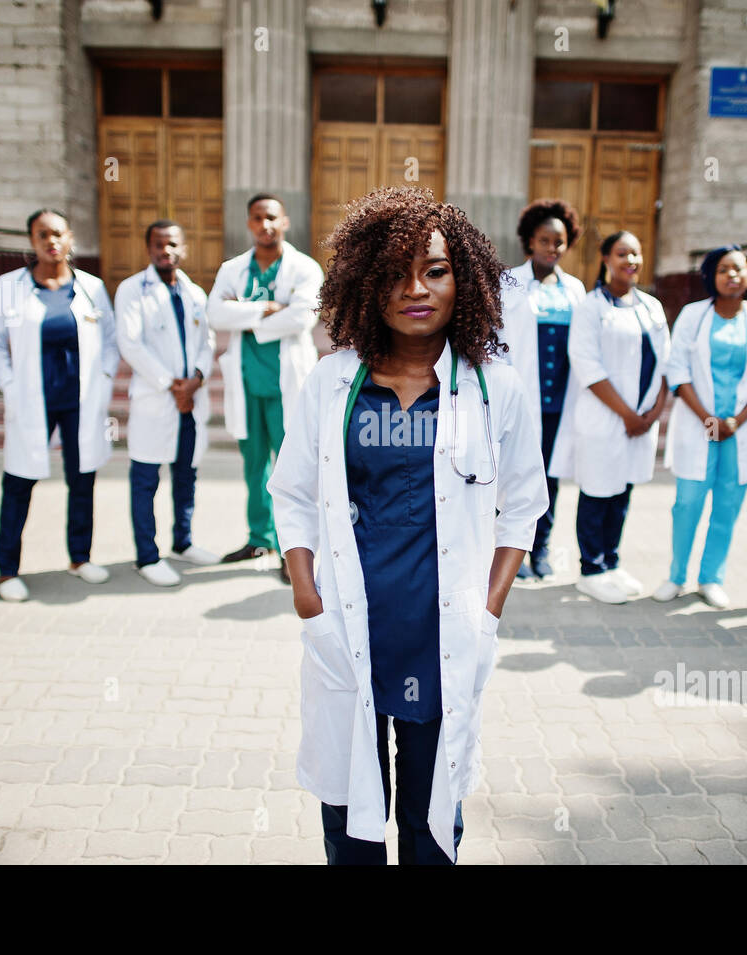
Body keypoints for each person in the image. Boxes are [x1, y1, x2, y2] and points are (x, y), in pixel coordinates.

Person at [268, 187, 547, 865]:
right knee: (350, 823)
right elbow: (293, 493)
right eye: (394, 273)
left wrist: (488, 608)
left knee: (430, 823)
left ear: (467, 279)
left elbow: (524, 503)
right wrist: (309, 599)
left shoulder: (494, 387)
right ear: (367, 284)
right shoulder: (334, 382)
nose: (415, 289)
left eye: (435, 270)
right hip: (349, 624)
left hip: (442, 632)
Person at [0, 209, 119, 601]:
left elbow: (110, 341)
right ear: (32, 240)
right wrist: (10, 386)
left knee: (82, 479)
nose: (51, 241)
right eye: (42, 234)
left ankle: (80, 557)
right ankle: (8, 571)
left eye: (57, 233)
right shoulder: (8, 286)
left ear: (70, 237)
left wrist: (106, 380)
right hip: (32, 401)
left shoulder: (92, 287)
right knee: (19, 482)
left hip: (79, 401)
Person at [654, 246, 747, 609]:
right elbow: (677, 369)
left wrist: (736, 421)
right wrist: (708, 418)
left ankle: (711, 578)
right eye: (724, 270)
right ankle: (676, 576)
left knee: (728, 505)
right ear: (712, 276)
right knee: (688, 503)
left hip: (740, 429)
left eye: (739, 269)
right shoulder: (693, 316)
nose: (732, 276)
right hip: (701, 424)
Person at [207, 194, 324, 584]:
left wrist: (244, 315)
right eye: (257, 218)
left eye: (271, 217)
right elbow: (214, 313)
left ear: (284, 222)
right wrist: (268, 309)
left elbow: (303, 319)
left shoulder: (305, 268)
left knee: (291, 471)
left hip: (286, 382)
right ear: (249, 223)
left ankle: (293, 552)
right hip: (246, 380)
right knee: (254, 464)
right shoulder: (233, 269)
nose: (265, 225)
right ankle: (260, 539)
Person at [549, 231, 669, 604]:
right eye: (621, 254)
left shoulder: (651, 306)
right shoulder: (591, 307)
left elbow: (667, 363)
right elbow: (588, 366)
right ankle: (591, 568)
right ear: (605, 258)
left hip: (640, 423)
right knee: (597, 492)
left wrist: (652, 413)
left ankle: (612, 563)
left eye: (635, 253)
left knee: (623, 492)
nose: (630, 260)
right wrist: (628, 415)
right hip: (605, 419)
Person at [115, 220, 219, 586]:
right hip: (156, 399)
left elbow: (207, 341)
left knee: (186, 473)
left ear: (183, 248)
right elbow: (130, 343)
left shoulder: (195, 293)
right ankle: (147, 556)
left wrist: (197, 379)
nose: (165, 250)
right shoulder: (132, 290)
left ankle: (183, 541)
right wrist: (171, 385)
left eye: (172, 244)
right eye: (158, 244)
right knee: (145, 480)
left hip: (190, 399)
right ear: (149, 249)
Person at [497, 199, 586, 579]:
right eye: (545, 240)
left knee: (550, 477)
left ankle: (541, 550)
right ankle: (511, 552)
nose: (553, 248)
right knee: (516, 475)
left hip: (561, 401)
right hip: (522, 398)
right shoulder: (509, 283)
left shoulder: (576, 290)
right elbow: (496, 341)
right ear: (529, 241)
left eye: (559, 241)